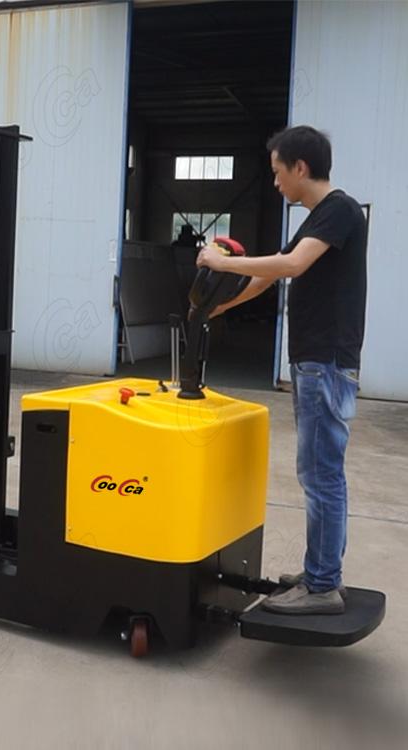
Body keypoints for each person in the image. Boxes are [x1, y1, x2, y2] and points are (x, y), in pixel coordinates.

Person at [196, 125, 367, 615]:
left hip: (325, 363)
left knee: (320, 474)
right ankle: (321, 571)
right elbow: (271, 274)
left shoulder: (339, 210)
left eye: (277, 173)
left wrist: (220, 264)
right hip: (316, 363)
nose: (275, 183)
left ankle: (322, 586)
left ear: (300, 167)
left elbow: (290, 265)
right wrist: (218, 307)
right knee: (319, 472)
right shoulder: (318, 218)